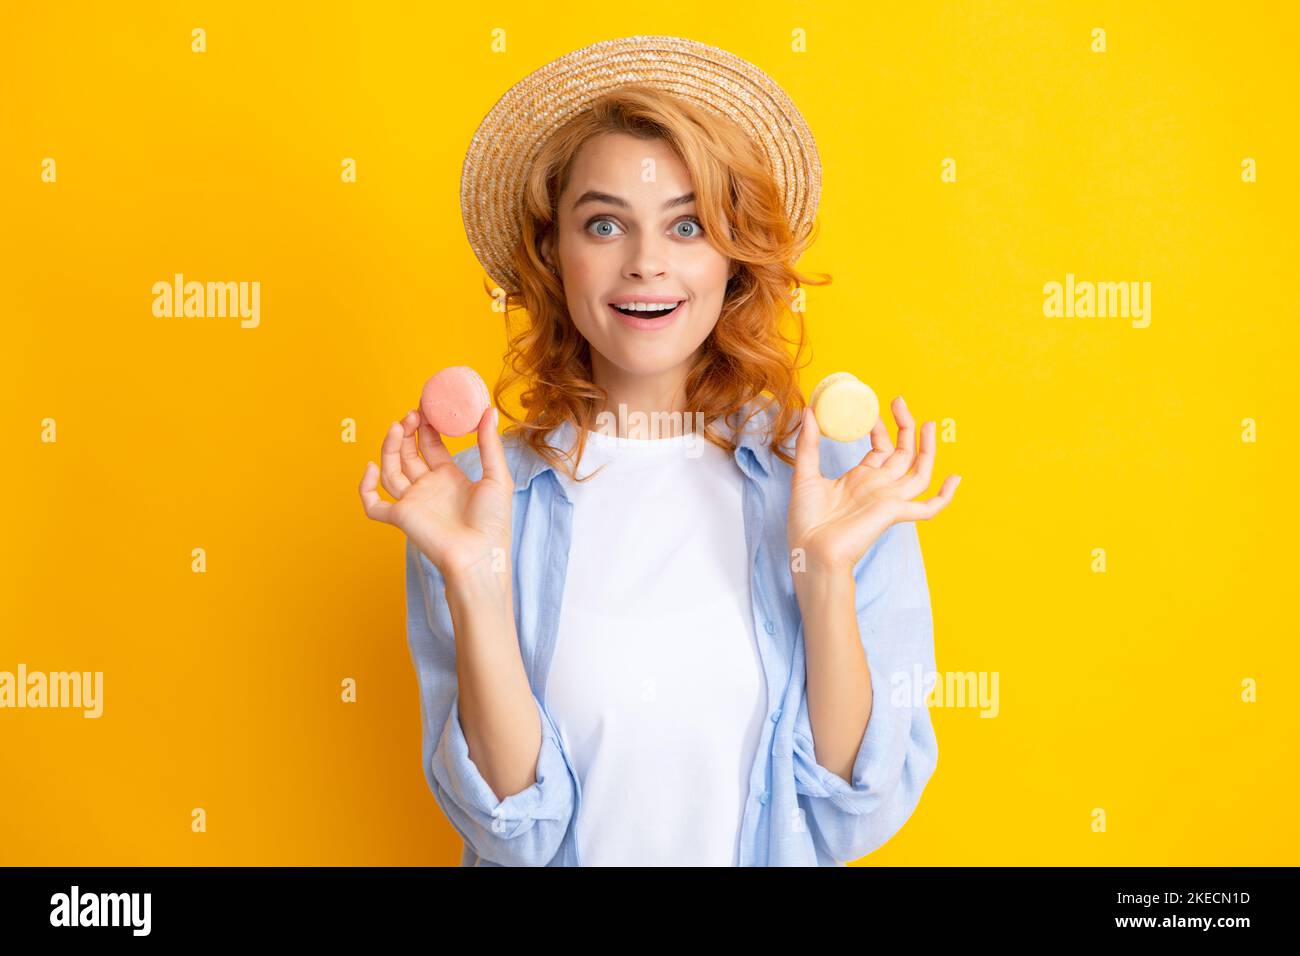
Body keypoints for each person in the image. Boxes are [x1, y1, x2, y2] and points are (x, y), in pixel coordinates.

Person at [359, 36, 960, 866]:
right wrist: (475, 581)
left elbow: (852, 811)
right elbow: (513, 831)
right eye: (605, 223)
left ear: (733, 258)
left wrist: (824, 573)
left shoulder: (837, 484)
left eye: (687, 225)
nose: (646, 263)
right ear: (551, 257)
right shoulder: (472, 506)